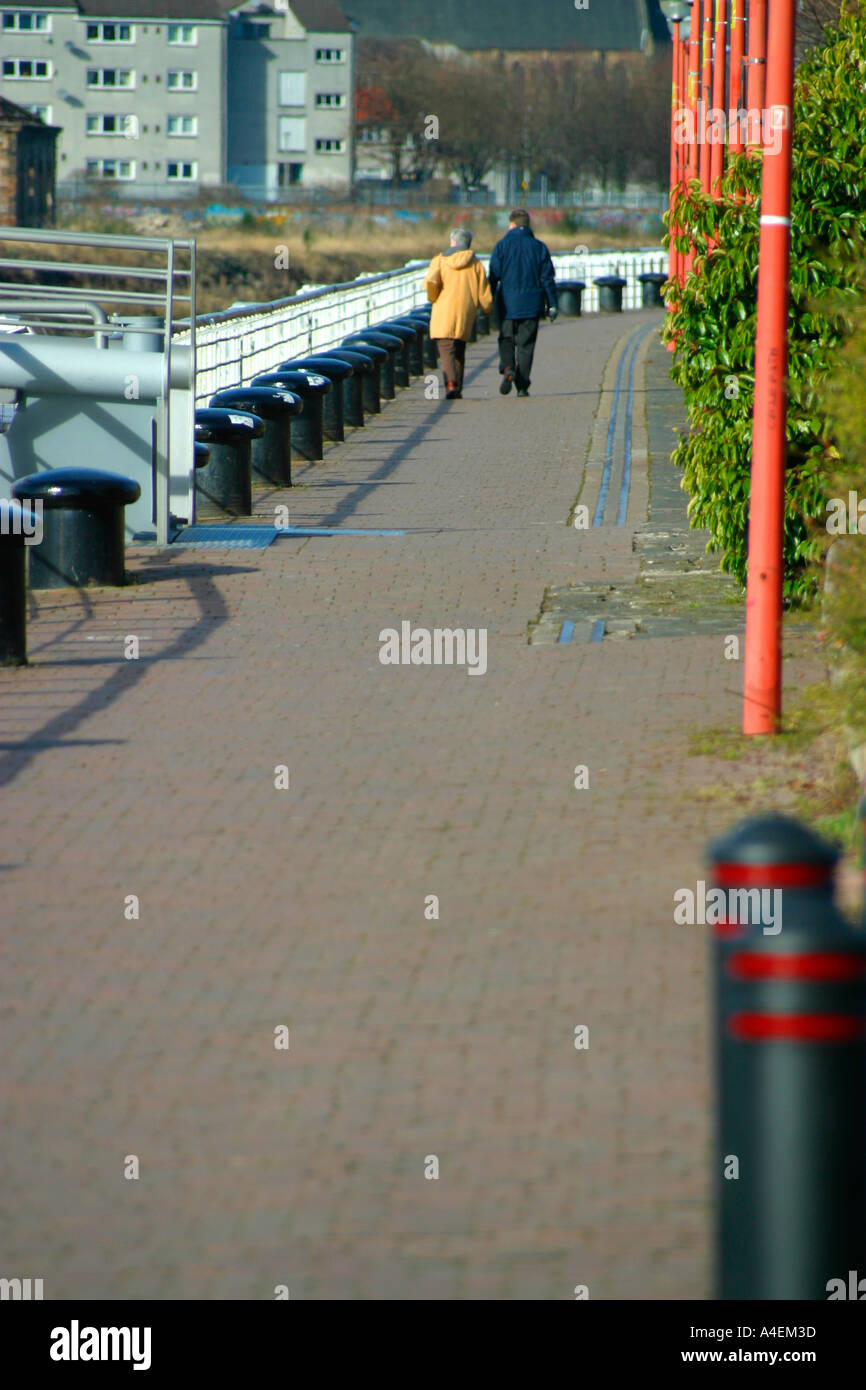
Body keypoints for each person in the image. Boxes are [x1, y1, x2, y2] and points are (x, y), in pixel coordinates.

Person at [488, 209, 558, 398]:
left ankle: (508, 367)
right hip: (532, 304)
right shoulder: (539, 247)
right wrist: (552, 304)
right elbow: (548, 278)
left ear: (511, 224)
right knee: (526, 346)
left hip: (508, 304)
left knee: (506, 338)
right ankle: (522, 385)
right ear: (527, 225)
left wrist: (488, 299)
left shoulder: (502, 246)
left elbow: (494, 275)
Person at [424, 227, 493, 400]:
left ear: (453, 242)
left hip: (444, 310)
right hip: (465, 312)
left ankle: (451, 383)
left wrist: (433, 297)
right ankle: (458, 387)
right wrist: (487, 309)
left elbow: (431, 282)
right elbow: (483, 292)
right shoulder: (476, 263)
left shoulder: (440, 260)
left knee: (446, 348)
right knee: (459, 348)